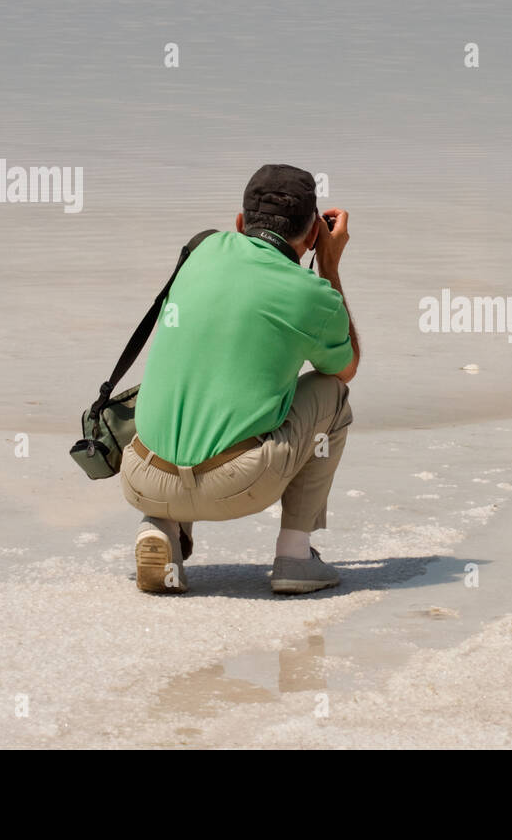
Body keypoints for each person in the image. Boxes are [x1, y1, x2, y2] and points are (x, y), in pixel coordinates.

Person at [119, 163, 360, 595]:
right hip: (236, 485)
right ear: (311, 237)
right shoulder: (311, 293)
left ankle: (162, 528)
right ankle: (294, 556)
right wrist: (329, 265)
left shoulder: (201, 249)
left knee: (198, 374)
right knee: (332, 395)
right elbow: (344, 369)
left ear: (238, 222)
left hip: (140, 473)